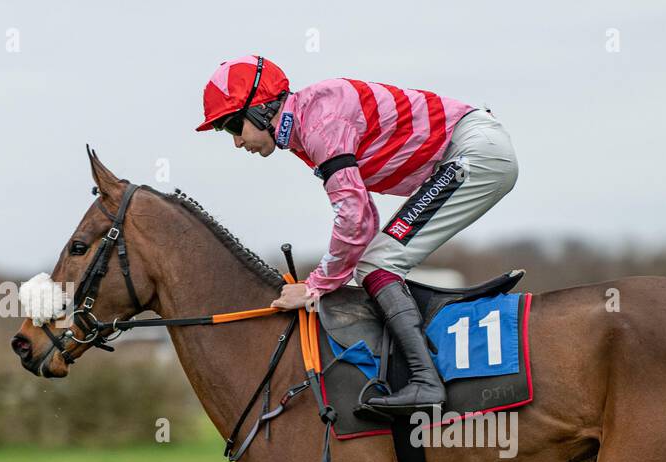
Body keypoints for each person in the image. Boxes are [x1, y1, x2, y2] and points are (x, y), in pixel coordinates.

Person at [196, 55, 518, 414]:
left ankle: (426, 382)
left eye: (233, 126)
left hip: (474, 154)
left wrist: (316, 286)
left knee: (378, 262)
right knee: (375, 261)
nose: (237, 142)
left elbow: (353, 216)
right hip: (470, 151)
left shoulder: (320, 122)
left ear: (261, 109)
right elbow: (362, 215)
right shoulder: (307, 123)